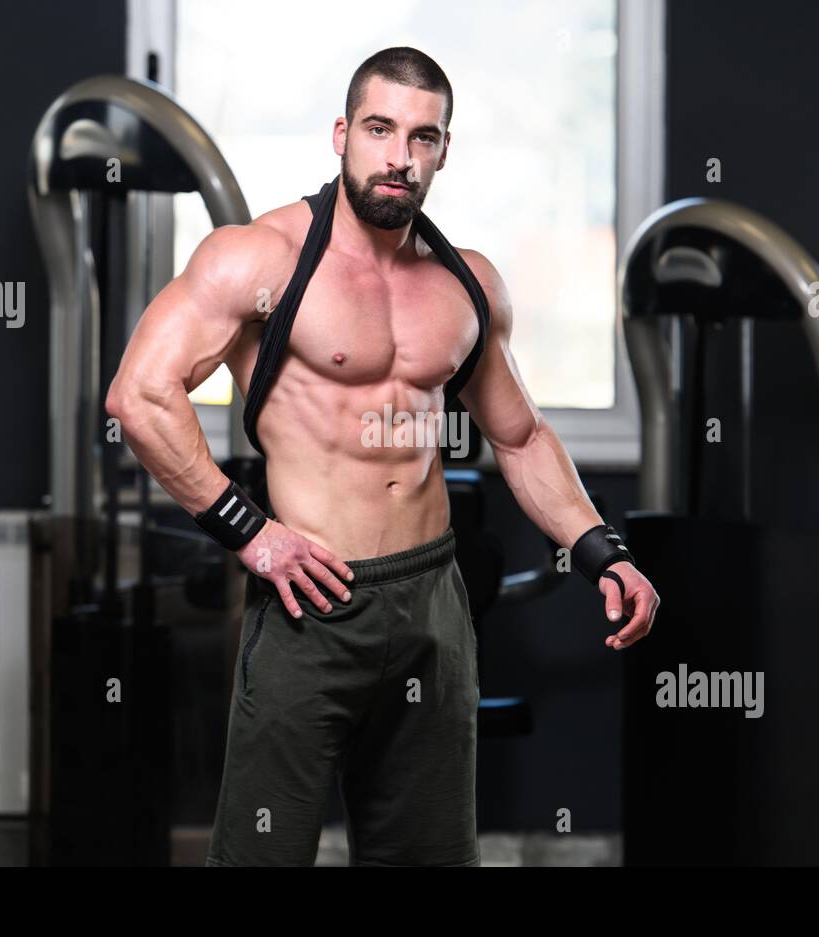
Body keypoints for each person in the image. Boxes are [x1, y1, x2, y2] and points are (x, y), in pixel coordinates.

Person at [105, 46, 659, 867]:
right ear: (342, 134)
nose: (400, 156)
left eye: (423, 136)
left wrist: (601, 551)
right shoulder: (259, 259)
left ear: (442, 149)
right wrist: (251, 535)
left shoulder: (466, 284)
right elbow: (139, 395)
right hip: (311, 598)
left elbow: (520, 436)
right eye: (379, 128)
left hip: (434, 600)